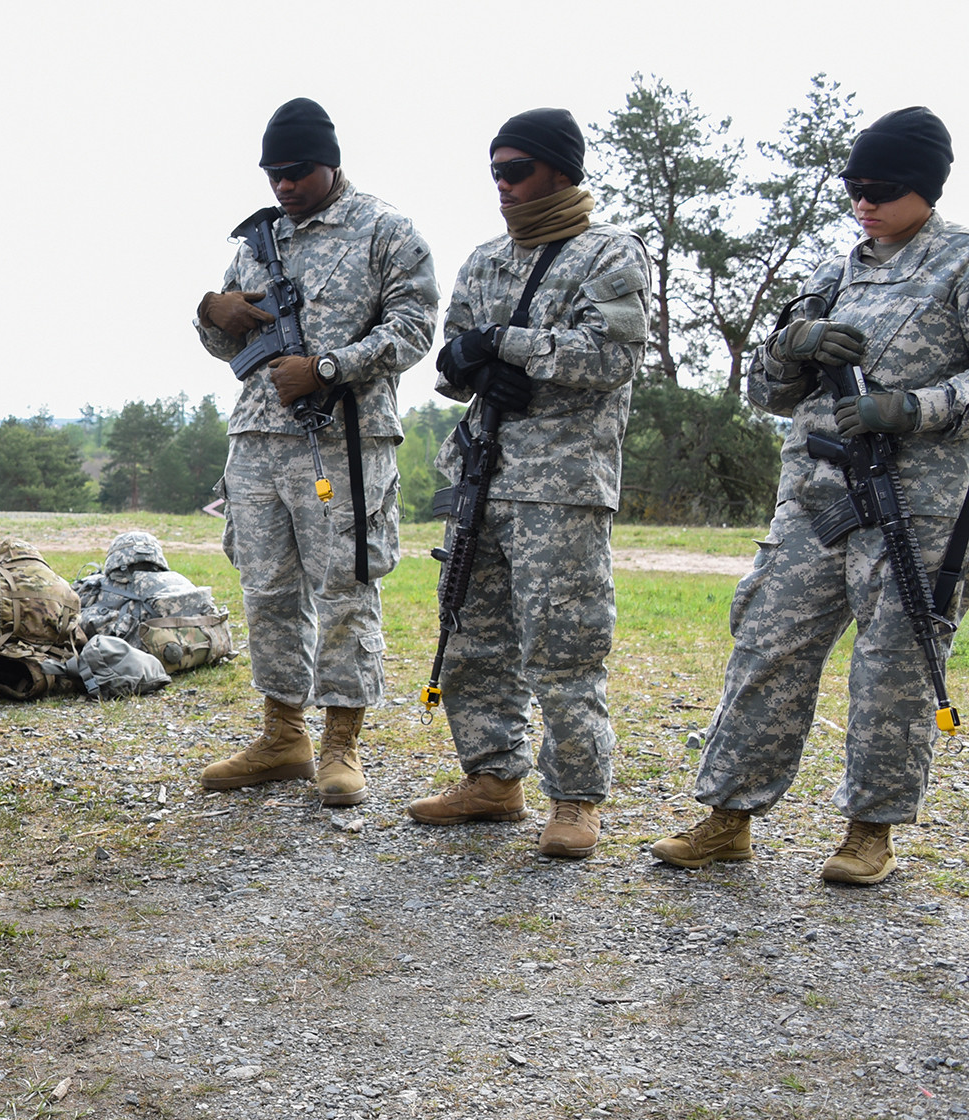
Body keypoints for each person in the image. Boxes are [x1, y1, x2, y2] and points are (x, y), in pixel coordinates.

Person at [653, 107, 966, 886]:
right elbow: (767, 391)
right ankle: (729, 818)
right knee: (768, 644)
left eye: (883, 188)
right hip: (814, 497)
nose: (864, 201)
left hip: (913, 503)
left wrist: (912, 408)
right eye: (853, 187)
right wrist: (791, 345)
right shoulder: (833, 271)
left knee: (892, 664)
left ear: (926, 188)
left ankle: (871, 832)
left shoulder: (959, 263)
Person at [405, 109, 651, 859]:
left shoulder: (610, 254)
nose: (503, 187)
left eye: (516, 171)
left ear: (560, 170)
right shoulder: (485, 260)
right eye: (495, 173)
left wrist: (507, 347)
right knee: (474, 638)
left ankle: (575, 801)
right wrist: (479, 363)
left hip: (561, 487)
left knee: (563, 648)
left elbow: (608, 359)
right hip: (482, 473)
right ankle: (492, 778)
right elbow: (451, 361)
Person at [193, 97, 438, 805]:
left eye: (297, 171)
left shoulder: (386, 231)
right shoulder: (258, 240)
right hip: (257, 438)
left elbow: (416, 330)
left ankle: (342, 746)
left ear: (330, 161)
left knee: (345, 589)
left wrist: (327, 367)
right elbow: (224, 346)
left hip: (343, 440)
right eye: (273, 174)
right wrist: (214, 312)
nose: (284, 185)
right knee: (265, 589)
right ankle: (282, 736)